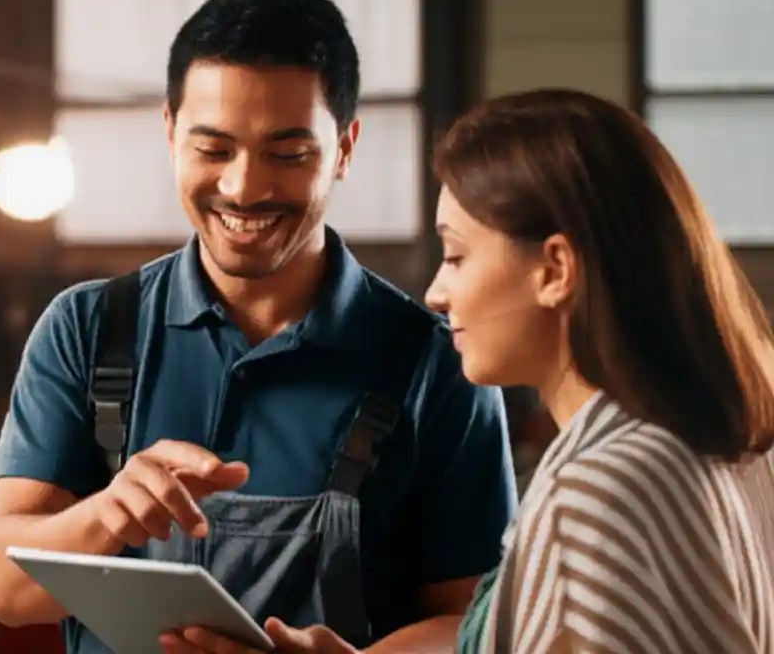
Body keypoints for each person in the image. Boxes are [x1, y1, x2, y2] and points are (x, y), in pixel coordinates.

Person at [0, 0, 518, 654]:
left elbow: (476, 627)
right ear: (171, 132)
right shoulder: (88, 330)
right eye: (213, 150)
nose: (243, 188)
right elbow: (4, 587)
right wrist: (106, 512)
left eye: (288, 155)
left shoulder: (436, 363)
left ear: (345, 147)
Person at [174, 89, 774, 653]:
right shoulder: (724, 446)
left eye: (457, 255)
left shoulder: (593, 496)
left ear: (555, 270)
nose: (437, 291)